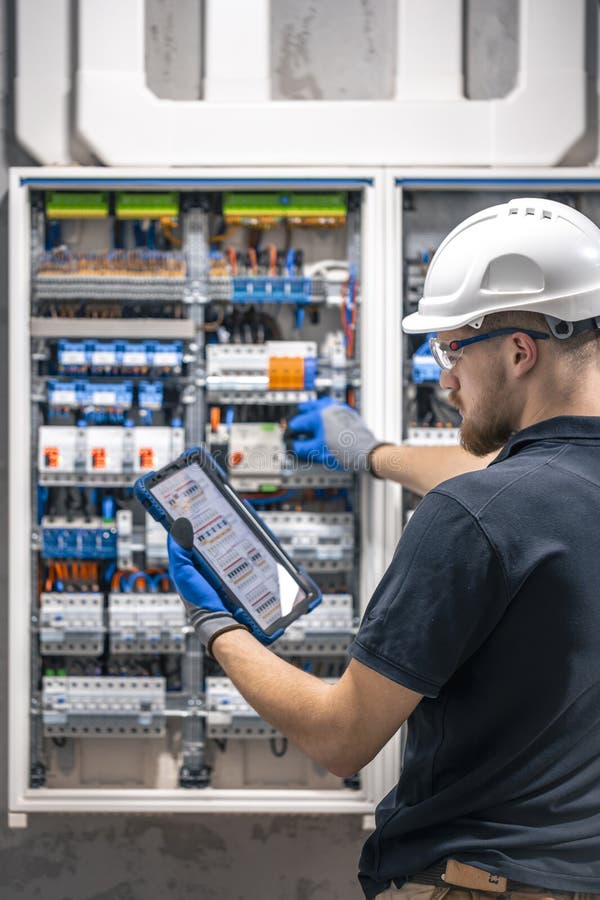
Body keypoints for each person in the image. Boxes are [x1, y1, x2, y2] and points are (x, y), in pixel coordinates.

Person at [168, 197, 600, 899]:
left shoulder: (469, 518)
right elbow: (525, 487)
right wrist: (372, 455)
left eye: (452, 348)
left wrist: (217, 625)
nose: (443, 377)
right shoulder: (523, 503)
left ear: (521, 352)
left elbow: (342, 737)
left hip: (491, 884)